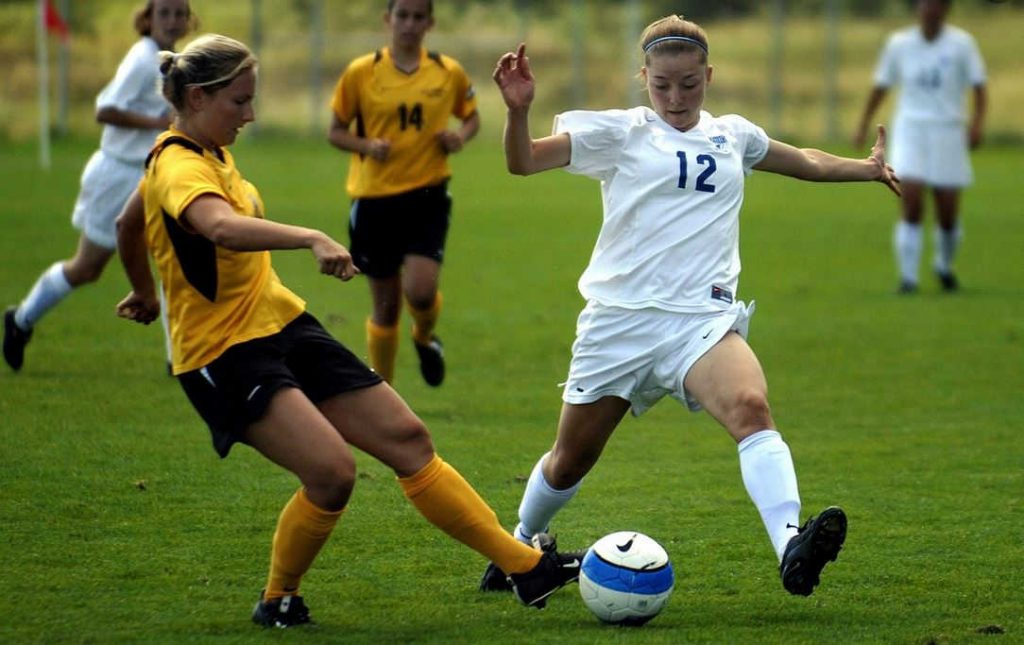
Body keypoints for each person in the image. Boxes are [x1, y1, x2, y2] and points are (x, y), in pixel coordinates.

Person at [114, 33, 580, 628]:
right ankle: (278, 597)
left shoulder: (201, 154)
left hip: (281, 322)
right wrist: (310, 236)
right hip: (224, 352)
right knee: (331, 474)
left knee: (408, 440)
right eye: (240, 101)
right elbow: (220, 228)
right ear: (200, 98)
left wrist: (142, 287)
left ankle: (525, 568)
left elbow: (130, 221)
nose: (251, 114)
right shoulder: (178, 164)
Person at [480, 15, 901, 598]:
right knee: (569, 460)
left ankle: (790, 544)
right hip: (619, 323)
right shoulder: (620, 133)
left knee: (752, 407)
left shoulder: (734, 135)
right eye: (662, 85)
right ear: (644, 78)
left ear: (709, 75)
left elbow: (803, 160)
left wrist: (868, 169)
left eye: (689, 84)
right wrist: (518, 109)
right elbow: (522, 160)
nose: (675, 98)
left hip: (700, 323)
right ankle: (519, 544)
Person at [3, 0, 195, 372]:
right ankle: (20, 319)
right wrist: (155, 122)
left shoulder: (175, 60)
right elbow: (104, 109)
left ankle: (179, 359)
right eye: (165, 13)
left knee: (174, 260)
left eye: (180, 13)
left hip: (152, 176)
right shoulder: (143, 59)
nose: (173, 21)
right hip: (116, 175)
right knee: (87, 268)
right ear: (148, 18)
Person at [327, 0, 480, 387]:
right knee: (386, 307)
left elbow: (472, 116)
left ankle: (425, 336)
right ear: (388, 20)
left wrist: (458, 137)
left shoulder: (448, 72)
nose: (409, 24)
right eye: (402, 16)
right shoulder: (362, 72)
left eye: (418, 17)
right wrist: (365, 146)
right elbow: (336, 130)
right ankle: (386, 394)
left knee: (422, 292)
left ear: (430, 23)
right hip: (374, 200)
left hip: (427, 195)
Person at [854, 0, 987, 294]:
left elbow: (979, 86)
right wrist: (863, 123)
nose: (930, 9)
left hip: (948, 131)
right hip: (912, 131)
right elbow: (881, 85)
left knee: (947, 211)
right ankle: (908, 278)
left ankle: (944, 265)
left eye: (937, 4)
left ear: (946, 8)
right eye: (925, 3)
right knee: (910, 201)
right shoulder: (899, 43)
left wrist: (977, 124)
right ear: (918, 8)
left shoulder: (962, 44)